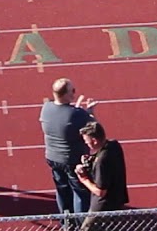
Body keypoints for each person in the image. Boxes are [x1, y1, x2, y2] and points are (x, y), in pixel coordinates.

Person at [40, 78, 98, 222]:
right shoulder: (76, 114)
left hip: (53, 157)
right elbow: (94, 129)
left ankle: (66, 223)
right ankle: (81, 225)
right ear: (66, 94)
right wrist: (89, 112)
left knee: (62, 190)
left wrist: (76, 110)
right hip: (73, 160)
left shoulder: (46, 108)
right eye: (72, 91)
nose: (74, 93)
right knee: (79, 192)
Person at [75, 121, 128, 231]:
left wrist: (84, 179)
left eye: (87, 141)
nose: (86, 144)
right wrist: (91, 160)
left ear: (94, 141)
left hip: (102, 205)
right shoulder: (114, 145)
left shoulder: (101, 161)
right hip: (117, 199)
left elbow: (100, 191)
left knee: (86, 228)